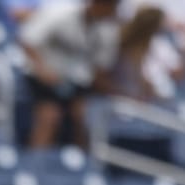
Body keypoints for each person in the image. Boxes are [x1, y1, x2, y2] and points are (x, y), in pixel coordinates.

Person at [19, 0, 122, 149]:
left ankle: (83, 167)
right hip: (42, 75)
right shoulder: (60, 12)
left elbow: (101, 68)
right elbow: (28, 41)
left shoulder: (108, 30)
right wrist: (43, 70)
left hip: (77, 81)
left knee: (85, 115)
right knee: (49, 116)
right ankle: (35, 165)